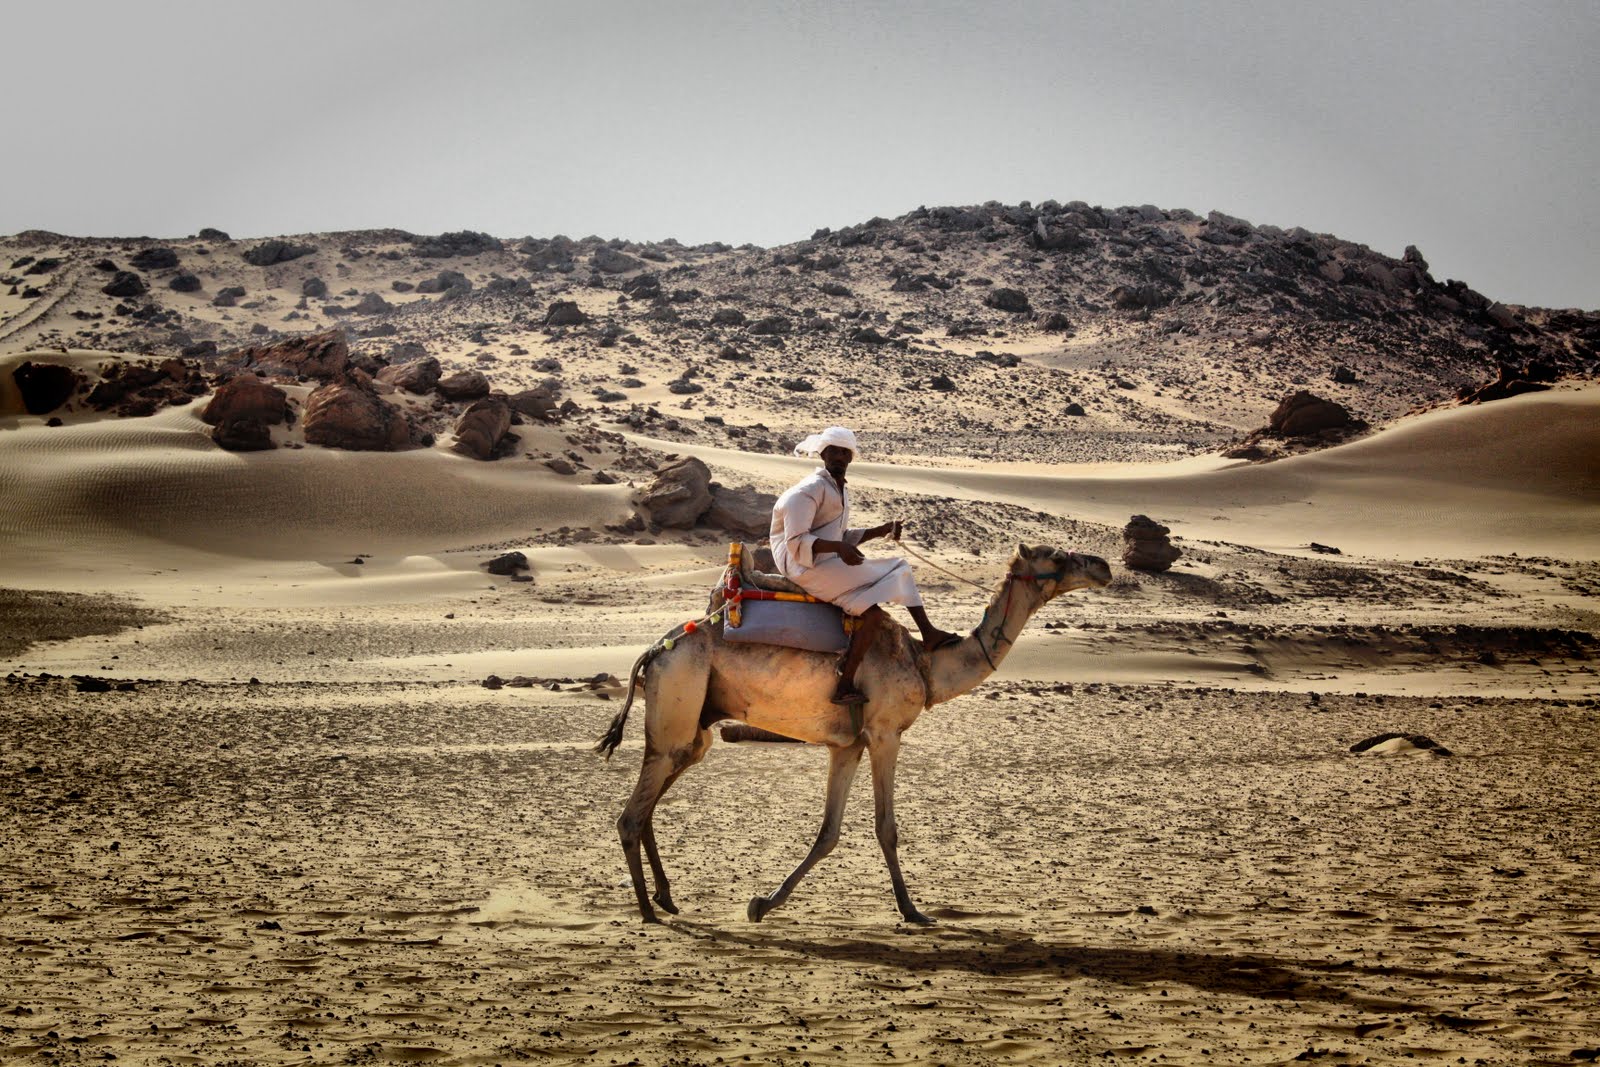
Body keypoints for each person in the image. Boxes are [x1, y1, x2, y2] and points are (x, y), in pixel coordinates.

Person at [769, 426, 960, 707]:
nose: (839, 457)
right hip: (802, 565)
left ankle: (844, 685)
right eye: (833, 451)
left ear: (851, 458)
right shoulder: (807, 491)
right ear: (823, 454)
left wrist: (880, 530)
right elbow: (797, 540)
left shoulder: (837, 489)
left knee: (871, 617)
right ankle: (929, 634)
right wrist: (840, 549)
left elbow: (837, 536)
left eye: (844, 452)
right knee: (899, 567)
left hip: (821, 560)